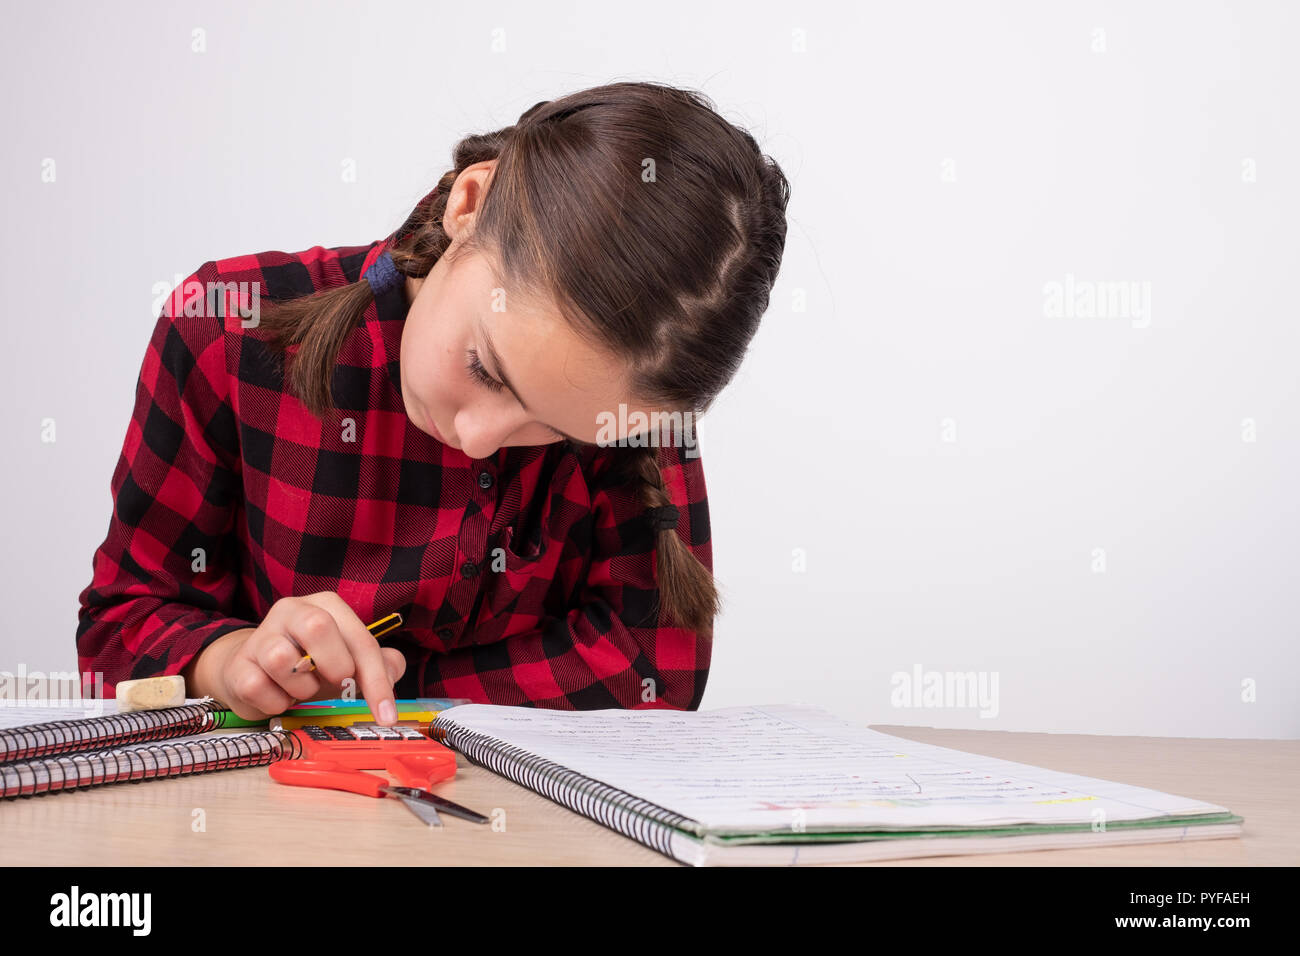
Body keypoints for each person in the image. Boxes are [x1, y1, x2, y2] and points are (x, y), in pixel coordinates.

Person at [76, 81, 790, 723]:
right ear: (469, 204)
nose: (479, 438)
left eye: (552, 428)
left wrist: (397, 687)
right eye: (486, 368)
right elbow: (117, 631)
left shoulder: (622, 395)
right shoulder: (227, 327)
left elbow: (654, 673)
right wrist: (230, 660)